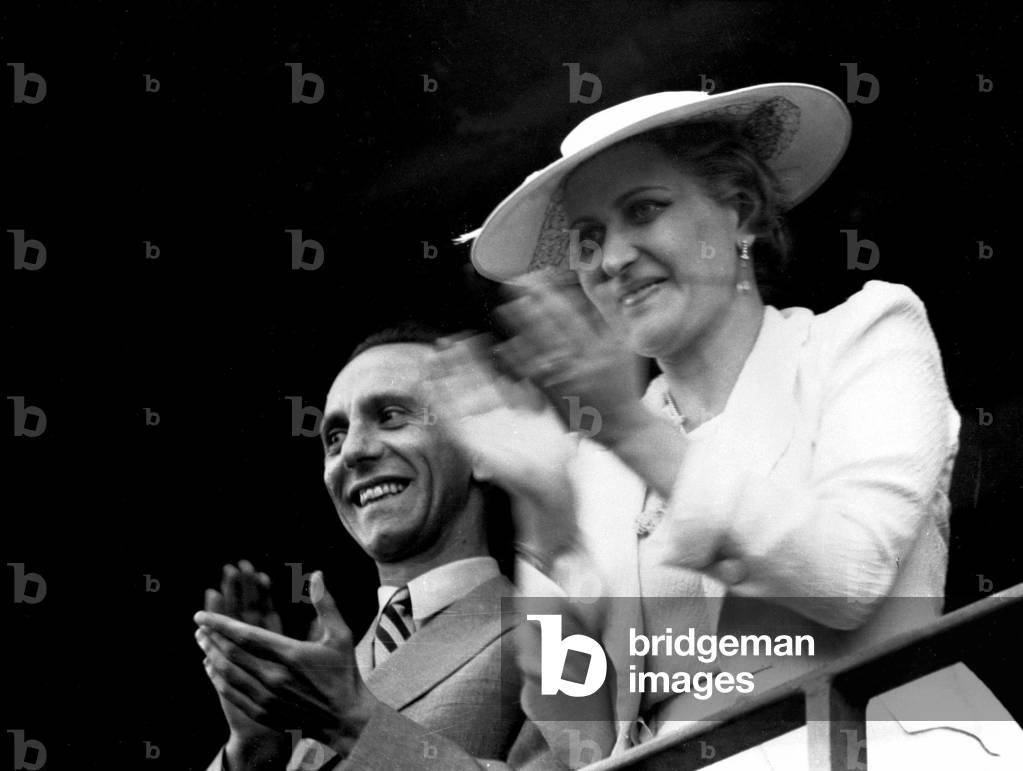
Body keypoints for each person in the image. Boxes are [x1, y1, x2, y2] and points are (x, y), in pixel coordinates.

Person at [442, 83, 1021, 768]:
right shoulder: (591, 465)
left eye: (644, 210)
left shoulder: (865, 337)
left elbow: (847, 575)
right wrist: (541, 520)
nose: (613, 258)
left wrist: (627, 427)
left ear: (739, 211)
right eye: (589, 238)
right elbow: (585, 738)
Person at [193, 324, 585, 770]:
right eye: (334, 437)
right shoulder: (318, 678)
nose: (353, 451)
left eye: (392, 415)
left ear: (480, 449)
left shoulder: (557, 638)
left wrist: (355, 722)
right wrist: (254, 749)